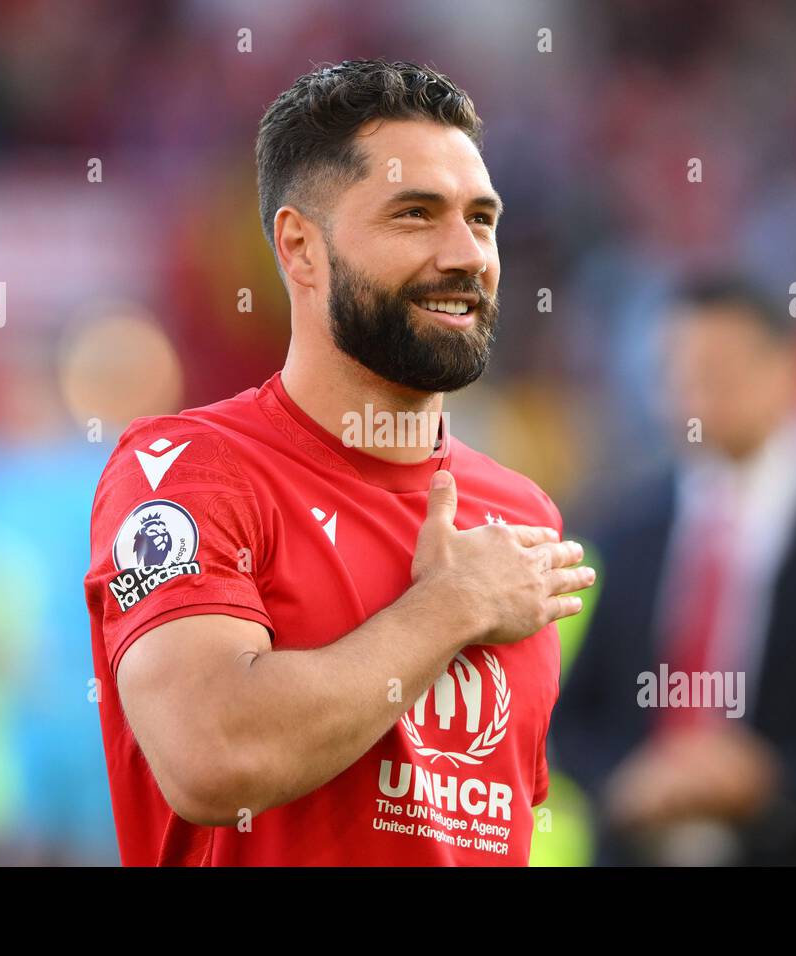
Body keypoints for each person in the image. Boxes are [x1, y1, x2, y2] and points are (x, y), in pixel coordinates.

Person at [83, 59, 595, 866]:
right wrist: (449, 608)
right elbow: (215, 755)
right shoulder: (188, 471)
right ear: (300, 249)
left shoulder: (520, 517)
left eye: (482, 219)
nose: (466, 255)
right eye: (416, 215)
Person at [550, 276, 796, 865]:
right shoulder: (624, 533)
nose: (693, 396)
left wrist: (773, 780)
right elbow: (575, 717)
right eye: (676, 373)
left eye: (719, 371)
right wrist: (630, 781)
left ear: (792, 372)